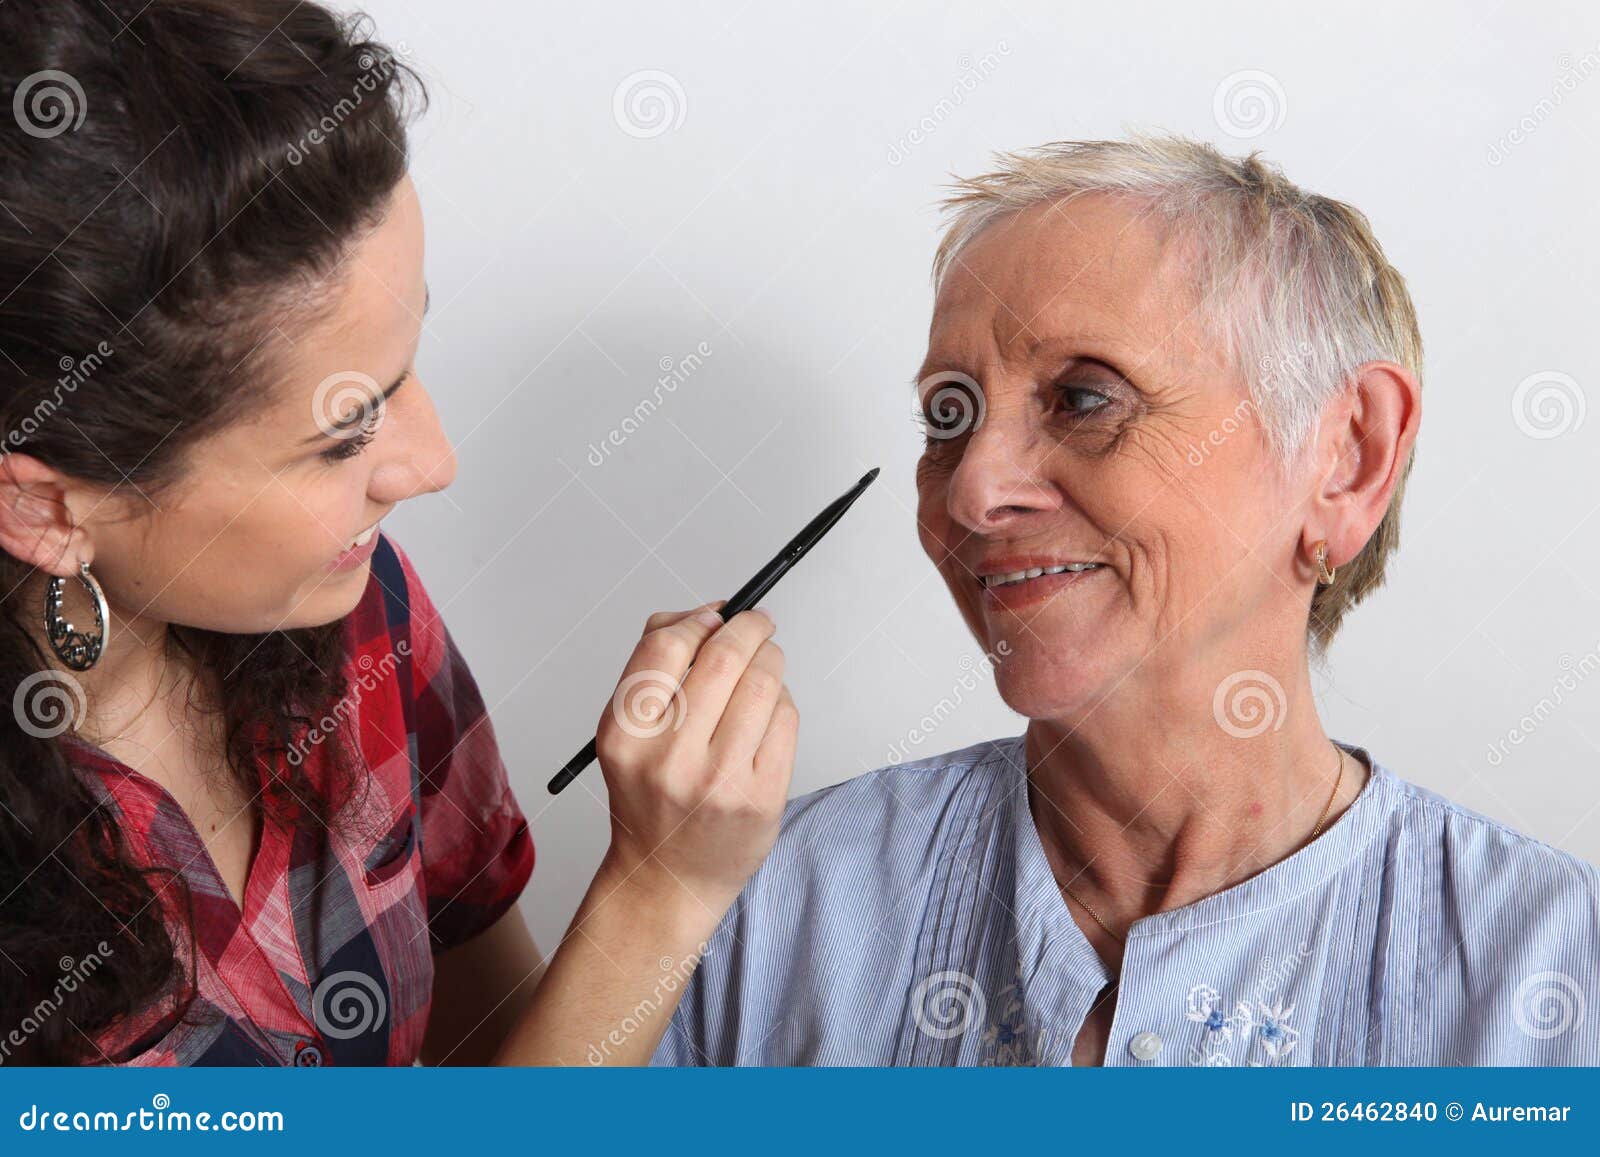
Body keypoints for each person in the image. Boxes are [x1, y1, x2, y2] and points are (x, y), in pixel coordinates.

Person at [651, 134, 1600, 1067]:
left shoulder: (1559, 972)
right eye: (949, 416)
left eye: (1084, 398)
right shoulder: (763, 900)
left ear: (1346, 456)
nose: (974, 491)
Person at [0, 0, 796, 1066]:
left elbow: (494, 1059)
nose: (432, 462)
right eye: (341, 435)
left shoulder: (360, 617)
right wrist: (660, 894)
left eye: (406, 358)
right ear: (47, 508)